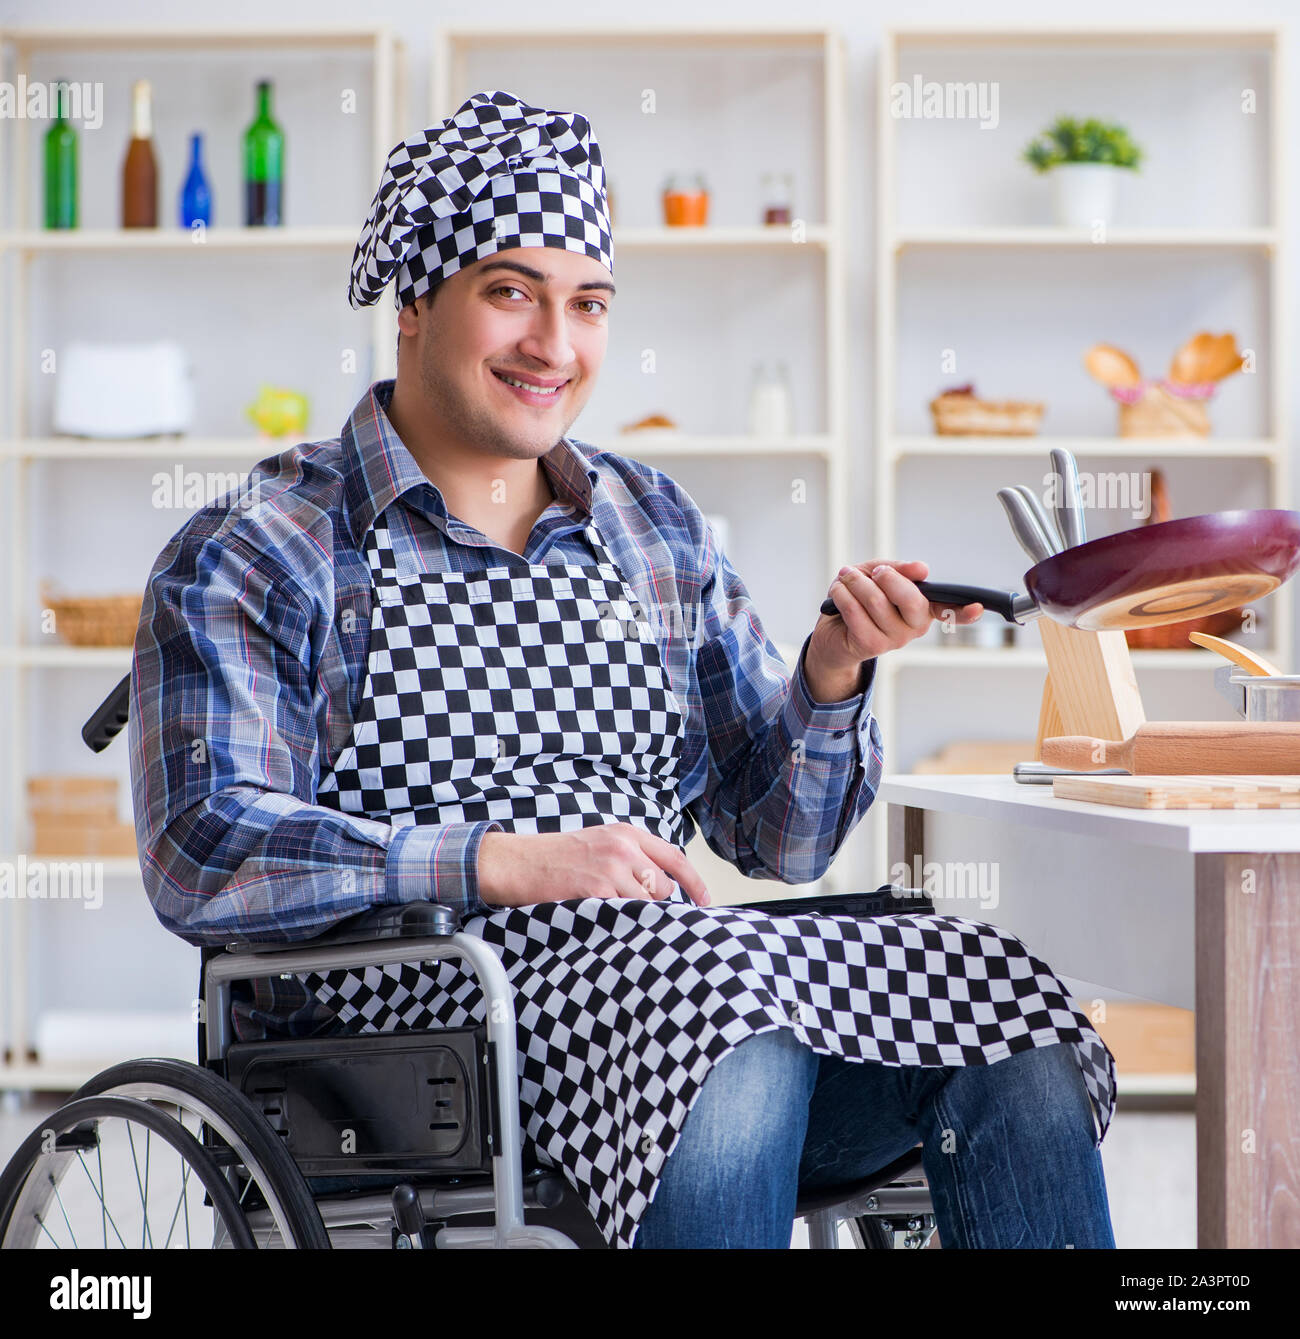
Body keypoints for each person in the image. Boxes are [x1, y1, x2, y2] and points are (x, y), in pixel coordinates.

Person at [131, 90, 1116, 1250]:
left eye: (586, 304)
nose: (554, 344)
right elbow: (204, 845)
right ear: (413, 302)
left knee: (999, 1006)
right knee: (724, 1017)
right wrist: (502, 863)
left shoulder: (652, 526)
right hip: (411, 1032)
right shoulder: (264, 544)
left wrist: (833, 673)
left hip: (670, 980)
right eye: (510, 292)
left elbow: (779, 841)